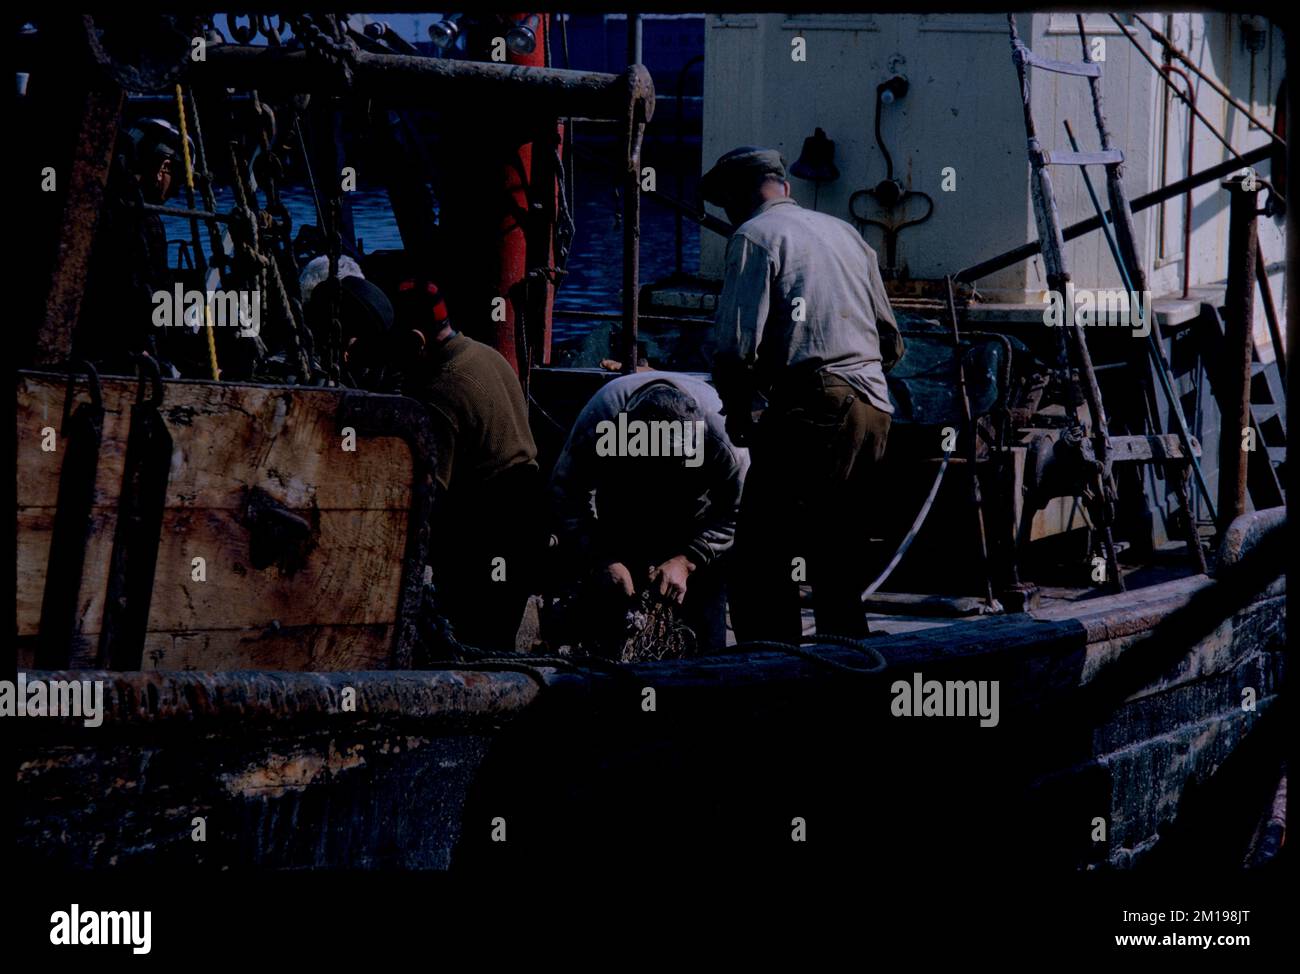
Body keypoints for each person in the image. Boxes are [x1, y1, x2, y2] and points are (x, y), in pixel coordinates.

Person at [704, 146, 905, 646]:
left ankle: (772, 674)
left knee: (760, 555)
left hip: (817, 403)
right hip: (875, 406)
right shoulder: (846, 233)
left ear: (737, 198)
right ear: (784, 187)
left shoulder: (753, 236)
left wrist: (738, 411)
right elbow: (890, 340)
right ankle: (847, 661)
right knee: (837, 548)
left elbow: (734, 348)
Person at [394, 278, 545, 653]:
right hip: (529, 513)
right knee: (499, 640)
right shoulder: (487, 354)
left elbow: (432, 497)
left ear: (416, 342)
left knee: (469, 641)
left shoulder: (441, 392)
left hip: (491, 527)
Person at [549, 372, 749, 652]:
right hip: (624, 516)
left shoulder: (721, 435)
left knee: (704, 645)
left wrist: (688, 559)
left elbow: (738, 509)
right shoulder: (602, 420)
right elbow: (565, 492)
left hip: (695, 521)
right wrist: (601, 558)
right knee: (611, 631)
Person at [78, 118, 190, 375]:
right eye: (178, 181)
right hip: (122, 351)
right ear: (164, 167)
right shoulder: (145, 222)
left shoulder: (99, 203)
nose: (174, 194)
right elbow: (151, 293)